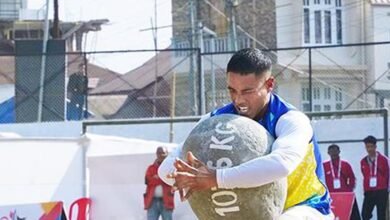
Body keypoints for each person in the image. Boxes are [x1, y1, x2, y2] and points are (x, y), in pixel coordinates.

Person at [158, 48, 333, 219]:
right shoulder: (214, 120)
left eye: (247, 91)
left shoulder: (292, 120)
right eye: (232, 90)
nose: (239, 100)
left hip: (306, 208)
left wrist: (216, 178)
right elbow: (166, 168)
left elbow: (281, 164)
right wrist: (187, 176)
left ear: (269, 84)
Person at [323, 144, 361, 220]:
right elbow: (321, 179)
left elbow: (352, 178)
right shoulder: (324, 165)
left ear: (339, 152)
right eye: (331, 151)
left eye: (335, 151)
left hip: (344, 195)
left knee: (348, 214)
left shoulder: (345, 164)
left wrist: (349, 190)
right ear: (328, 153)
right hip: (331, 196)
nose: (333, 153)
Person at [360, 135, 389, 220]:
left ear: (375, 146)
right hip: (369, 191)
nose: (369, 149)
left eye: (371, 146)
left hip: (381, 191)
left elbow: (387, 174)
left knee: (381, 214)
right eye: (367, 147)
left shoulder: (384, 160)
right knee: (365, 214)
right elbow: (364, 174)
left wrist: (386, 188)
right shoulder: (363, 161)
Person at [144, 146, 175, 220]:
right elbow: (148, 181)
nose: (161, 155)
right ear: (156, 154)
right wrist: (163, 178)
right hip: (152, 201)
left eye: (163, 153)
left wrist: (157, 177)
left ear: (167, 154)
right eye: (159, 153)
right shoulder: (151, 168)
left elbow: (171, 181)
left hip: (167, 201)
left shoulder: (171, 168)